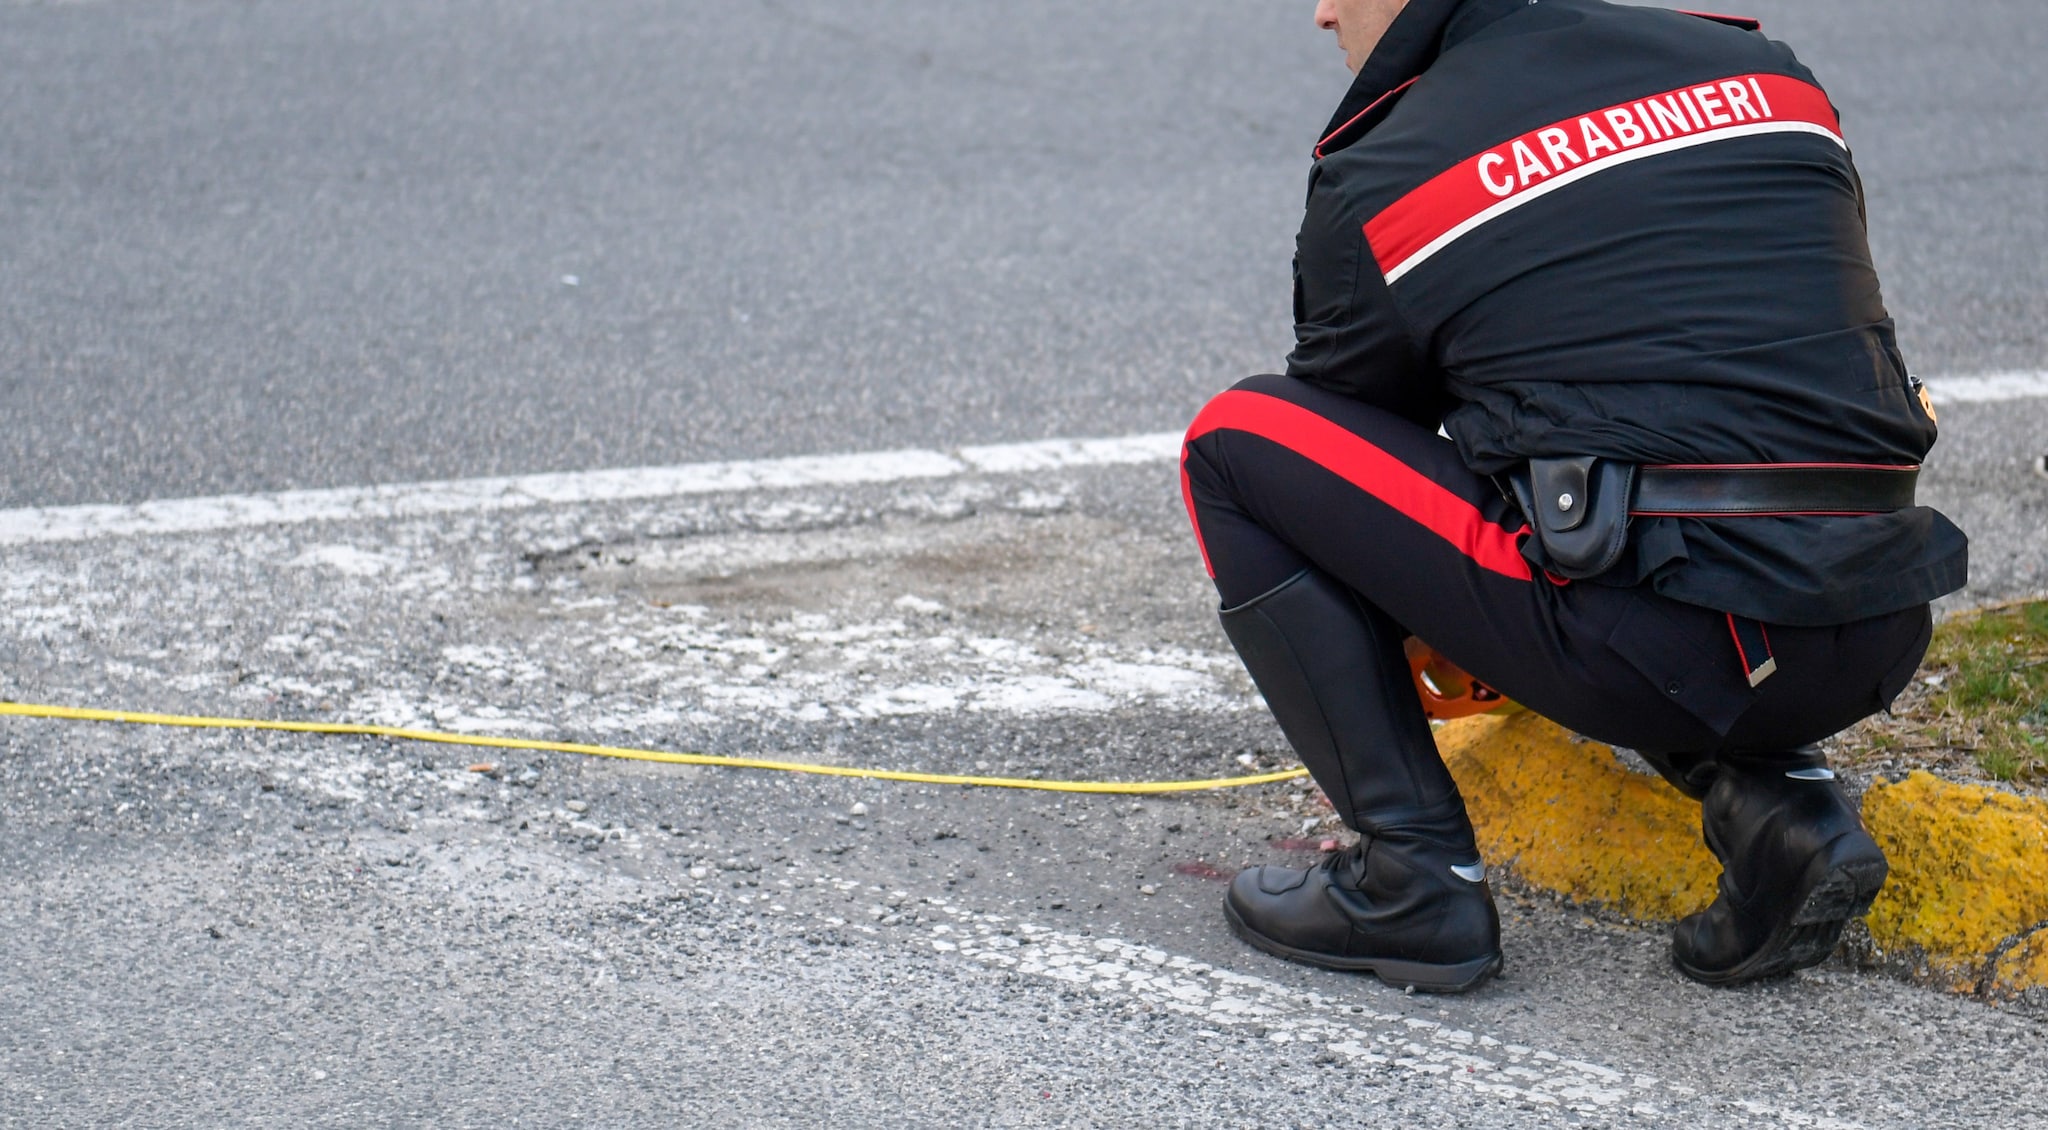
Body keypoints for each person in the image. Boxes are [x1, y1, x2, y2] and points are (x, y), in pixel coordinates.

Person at [1179, 0, 1967, 993]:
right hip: (1879, 615)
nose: (1320, 13)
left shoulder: (1391, 161)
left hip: (1662, 642)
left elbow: (1350, 442)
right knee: (1665, 458)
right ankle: (1782, 801)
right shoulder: (1758, 65)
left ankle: (1410, 876)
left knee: (1237, 440)